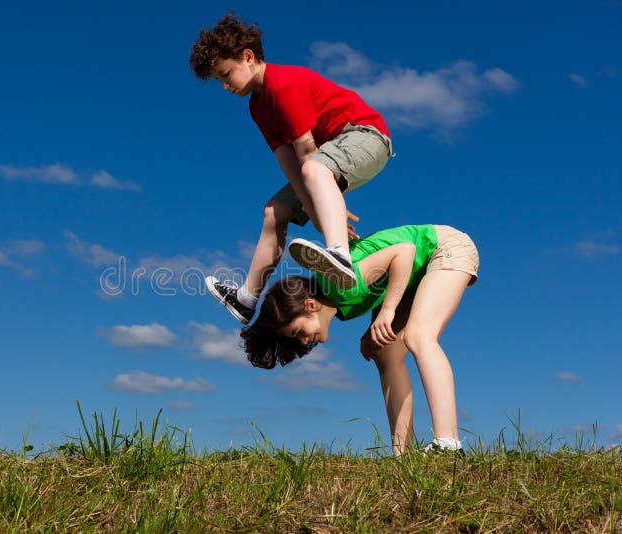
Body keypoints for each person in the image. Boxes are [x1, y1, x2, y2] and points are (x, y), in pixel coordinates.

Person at [189, 13, 392, 323]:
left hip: (366, 136)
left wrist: (325, 219)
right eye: (220, 80)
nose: (225, 85)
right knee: (275, 211)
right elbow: (288, 162)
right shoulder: (257, 107)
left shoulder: (282, 85)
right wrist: (318, 211)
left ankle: (339, 254)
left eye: (226, 74)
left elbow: (307, 152)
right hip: (325, 158)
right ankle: (246, 298)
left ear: (248, 57)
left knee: (314, 170)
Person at [240, 224, 480, 455]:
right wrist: (372, 330)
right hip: (415, 275)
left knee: (419, 335)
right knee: (385, 352)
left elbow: (404, 251)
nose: (304, 341)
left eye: (298, 332)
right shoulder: (341, 303)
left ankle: (448, 443)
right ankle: (403, 454)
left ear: (310, 305)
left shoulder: (337, 282)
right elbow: (380, 283)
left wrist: (388, 311)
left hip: (443, 248)